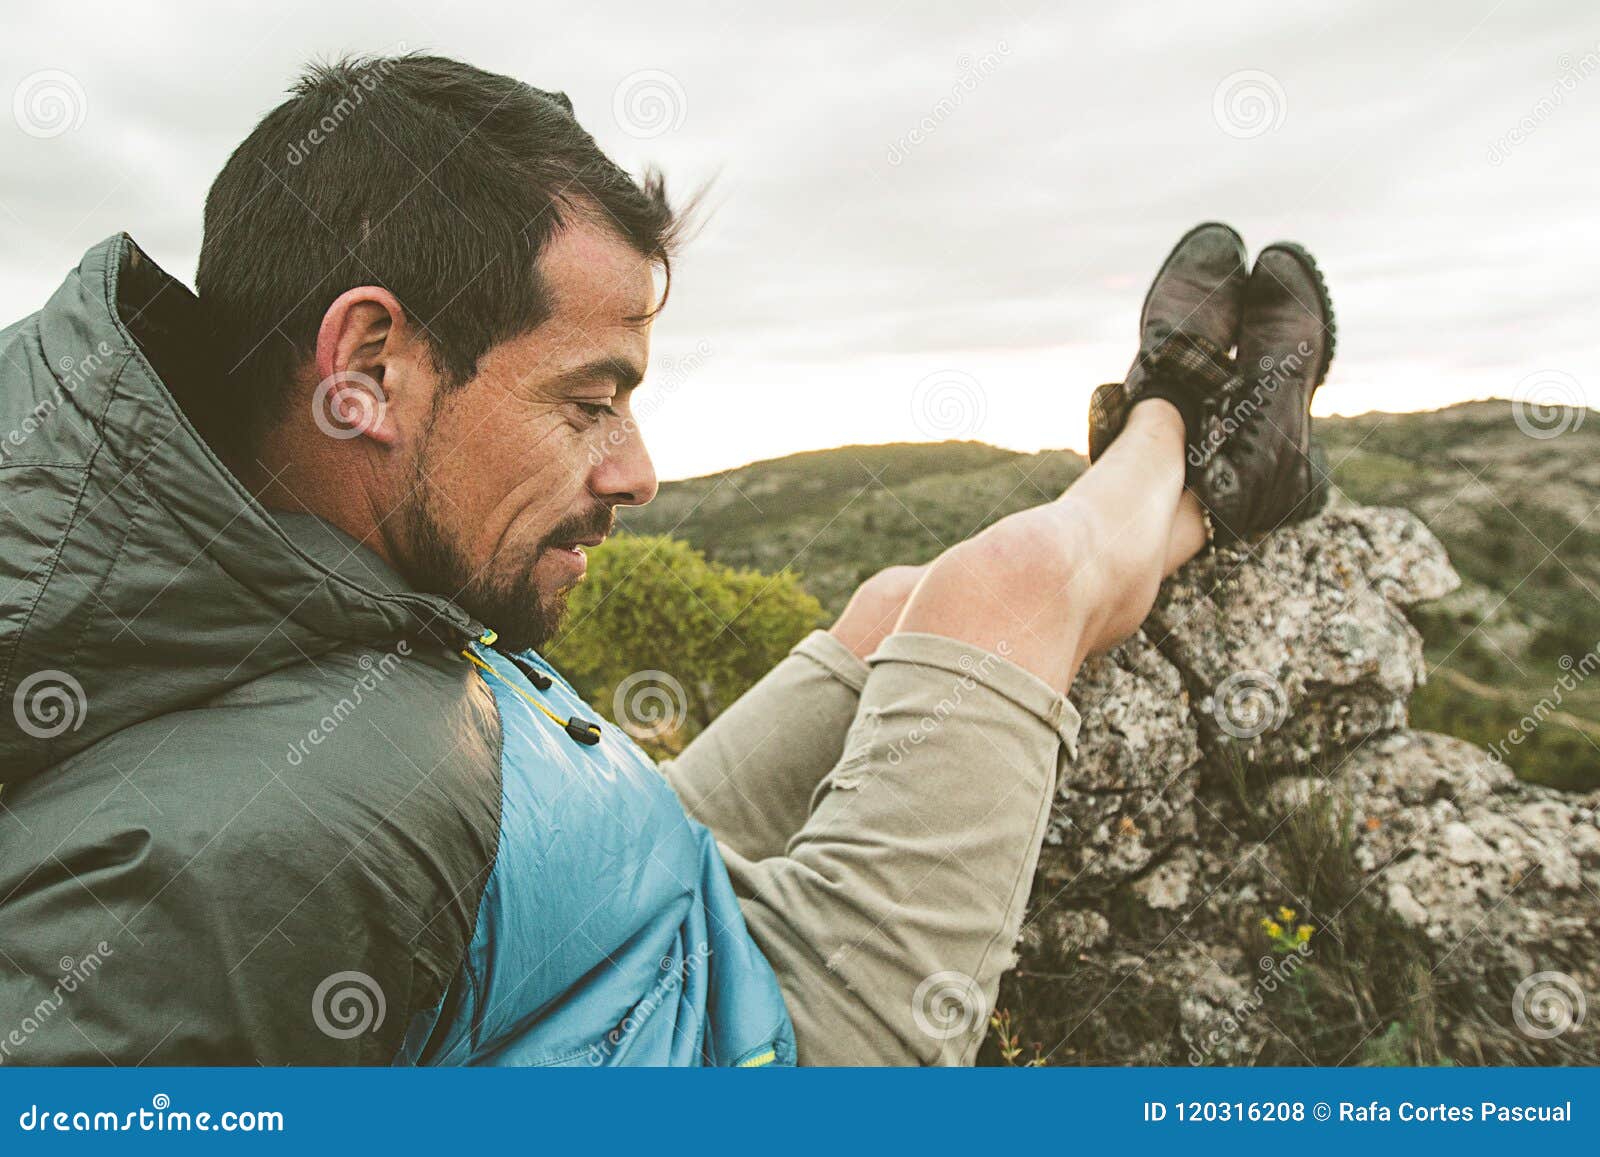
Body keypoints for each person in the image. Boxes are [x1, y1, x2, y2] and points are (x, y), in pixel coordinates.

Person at [0, 55, 1332, 1066]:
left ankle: (1192, 451)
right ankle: (1185, 432)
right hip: (761, 1047)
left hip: (596, 889)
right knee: (1008, 590)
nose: (635, 472)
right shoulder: (199, 880)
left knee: (894, 608)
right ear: (367, 367)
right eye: (589, 402)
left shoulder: (224, 535)